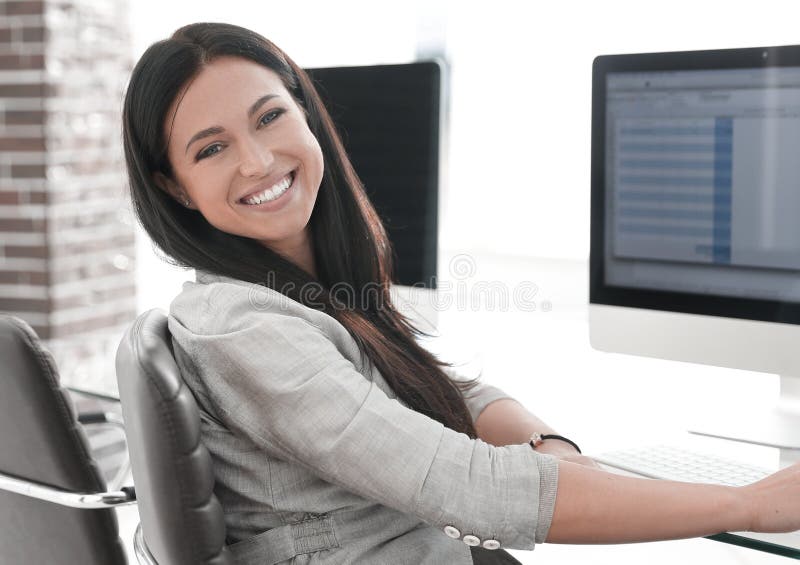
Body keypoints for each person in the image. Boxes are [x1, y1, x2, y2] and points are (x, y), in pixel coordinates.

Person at [122, 22, 800, 565]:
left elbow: (438, 390)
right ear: (174, 186)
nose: (258, 160)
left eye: (269, 116)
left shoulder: (298, 288)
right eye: (211, 149)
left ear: (306, 113)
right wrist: (747, 504)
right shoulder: (244, 329)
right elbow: (461, 485)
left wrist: (546, 441)